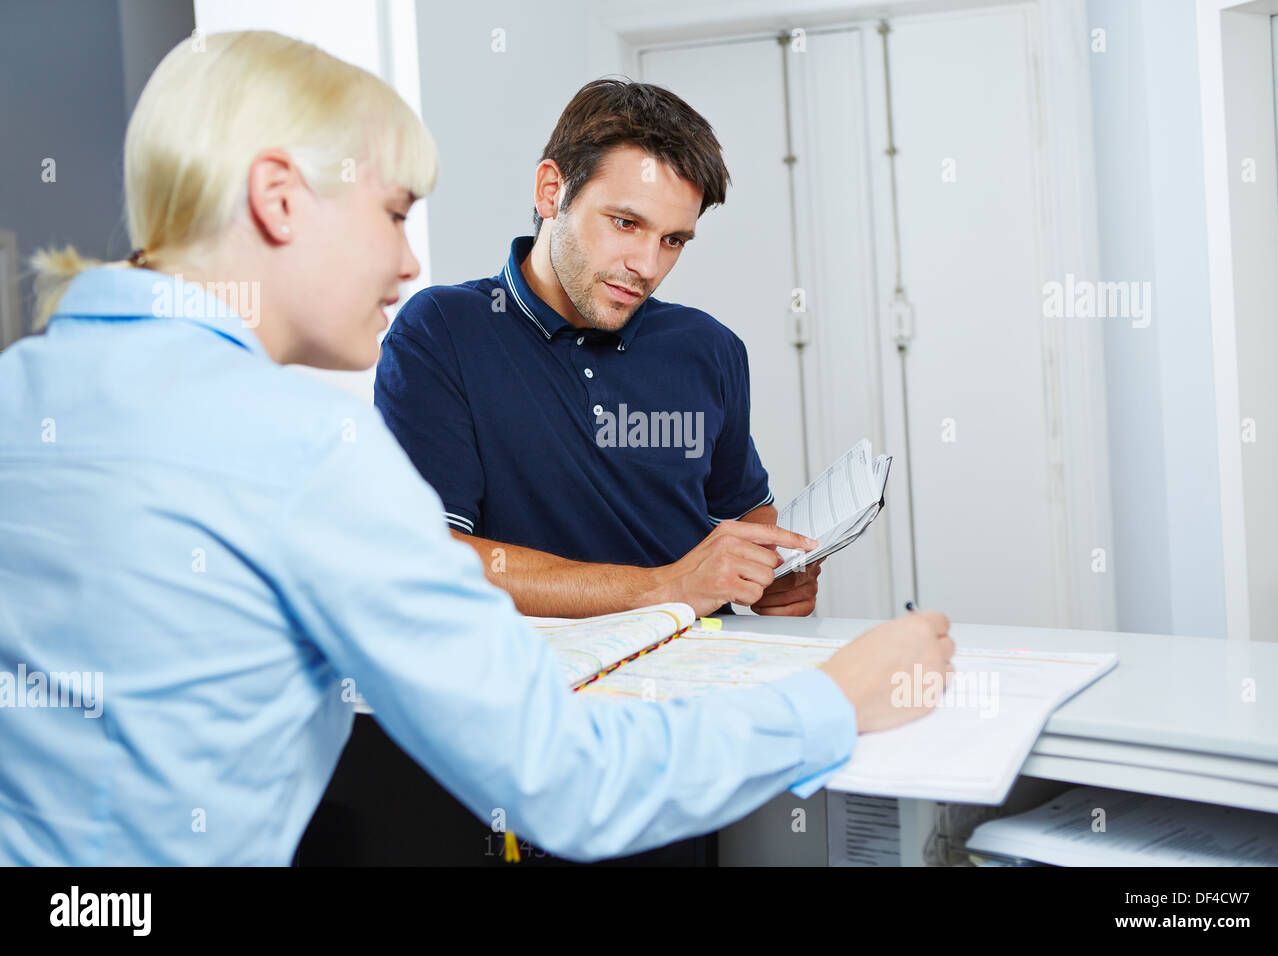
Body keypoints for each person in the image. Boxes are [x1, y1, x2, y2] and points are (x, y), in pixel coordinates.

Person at [0, 30, 955, 866]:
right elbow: (567, 781)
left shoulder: (22, 396)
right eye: (391, 212)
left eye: (674, 241)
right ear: (280, 200)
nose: (408, 259)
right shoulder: (302, 450)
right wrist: (838, 699)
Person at [374, 79, 822, 621]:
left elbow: (746, 513)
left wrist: (770, 579)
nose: (647, 266)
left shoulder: (710, 346)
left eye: (673, 240)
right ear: (551, 191)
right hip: (545, 685)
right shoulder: (442, 330)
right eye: (626, 223)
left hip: (707, 672)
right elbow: (432, 554)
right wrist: (665, 588)